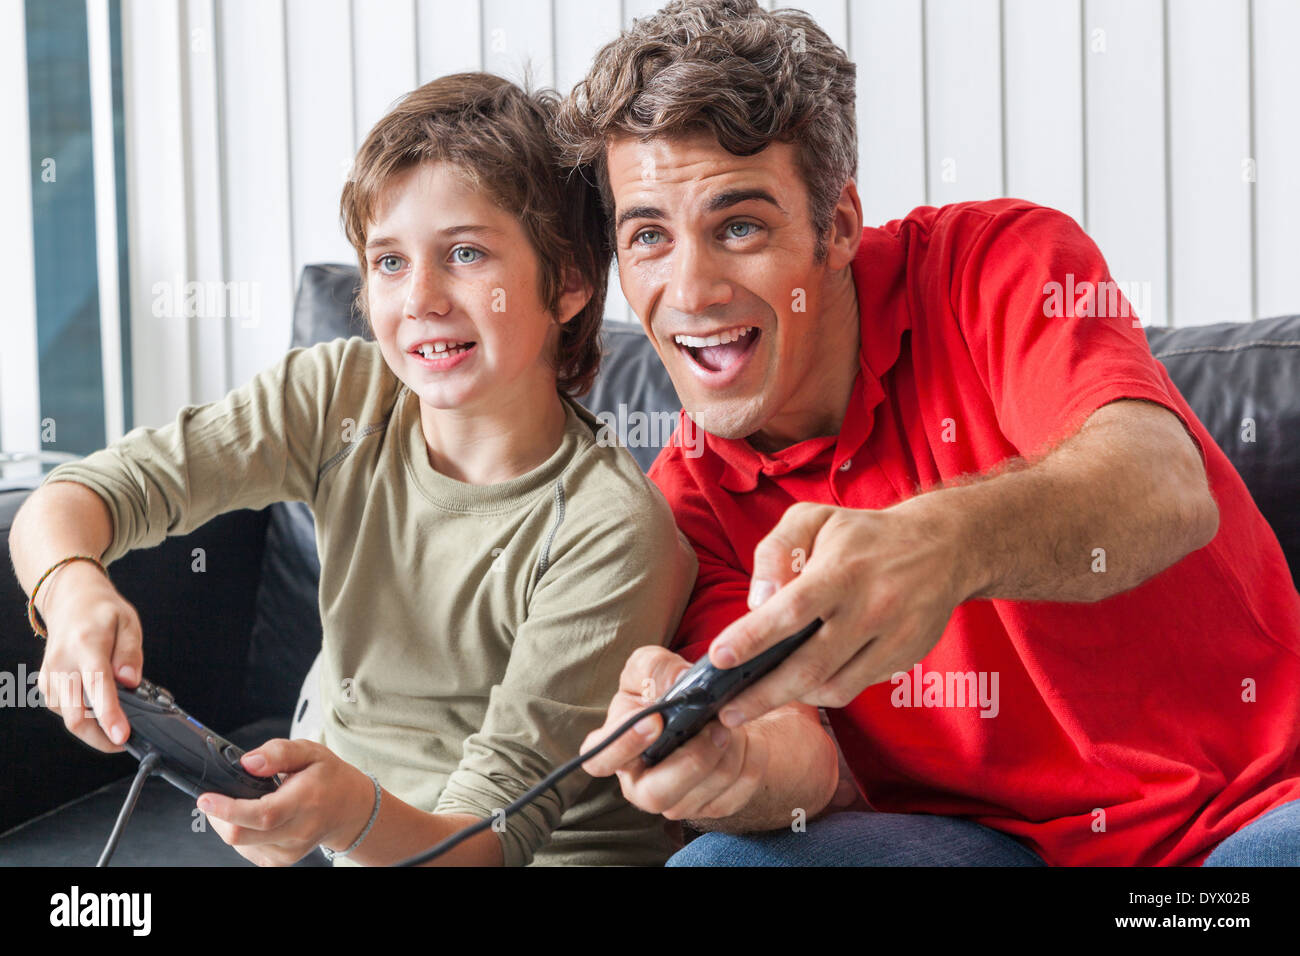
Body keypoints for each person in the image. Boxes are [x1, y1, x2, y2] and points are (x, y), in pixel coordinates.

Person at [553, 0, 1300, 865]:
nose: (691, 289)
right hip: (983, 849)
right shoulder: (688, 505)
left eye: (740, 226)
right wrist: (732, 766)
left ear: (835, 227)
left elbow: (1164, 487)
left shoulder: (1000, 264)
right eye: (648, 236)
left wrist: (939, 545)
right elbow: (804, 758)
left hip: (1247, 817)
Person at [10, 73, 697, 867]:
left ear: (570, 281)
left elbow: (488, 840)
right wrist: (72, 591)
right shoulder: (339, 394)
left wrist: (349, 818)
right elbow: (76, 497)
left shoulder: (610, 526)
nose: (421, 299)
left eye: (465, 254)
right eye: (389, 262)